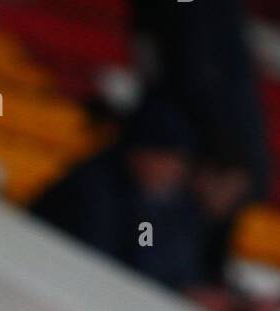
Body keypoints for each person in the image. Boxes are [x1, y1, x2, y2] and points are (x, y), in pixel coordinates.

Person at [29, 97, 202, 292]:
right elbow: (100, 263)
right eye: (169, 162)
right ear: (142, 152)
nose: (174, 173)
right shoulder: (92, 188)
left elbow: (164, 262)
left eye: (180, 165)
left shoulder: (166, 204)